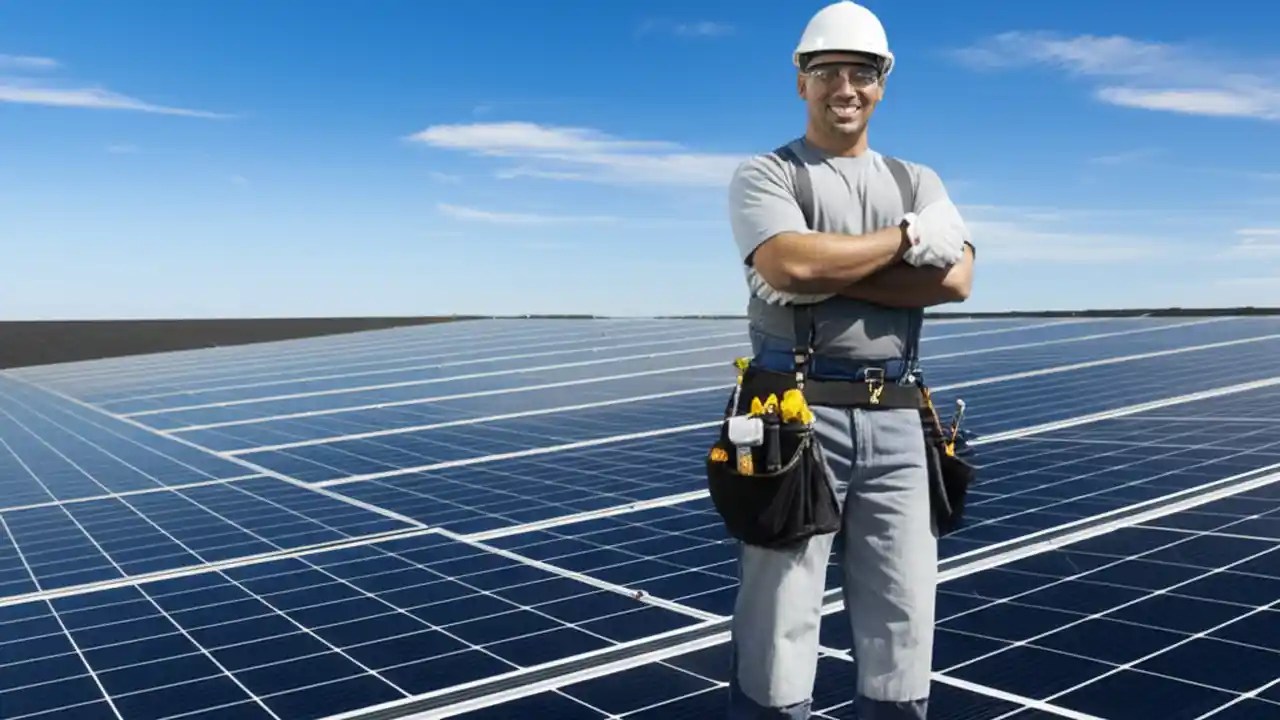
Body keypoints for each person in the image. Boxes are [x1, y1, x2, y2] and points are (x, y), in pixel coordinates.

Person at [724, 2, 976, 719]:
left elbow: (955, 278)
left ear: (883, 83)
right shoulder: (766, 174)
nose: (845, 87)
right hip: (793, 421)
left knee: (903, 624)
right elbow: (787, 261)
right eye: (827, 71)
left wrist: (819, 269)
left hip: (899, 421)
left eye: (862, 72)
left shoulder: (916, 178)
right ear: (800, 81)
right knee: (779, 624)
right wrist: (908, 240)